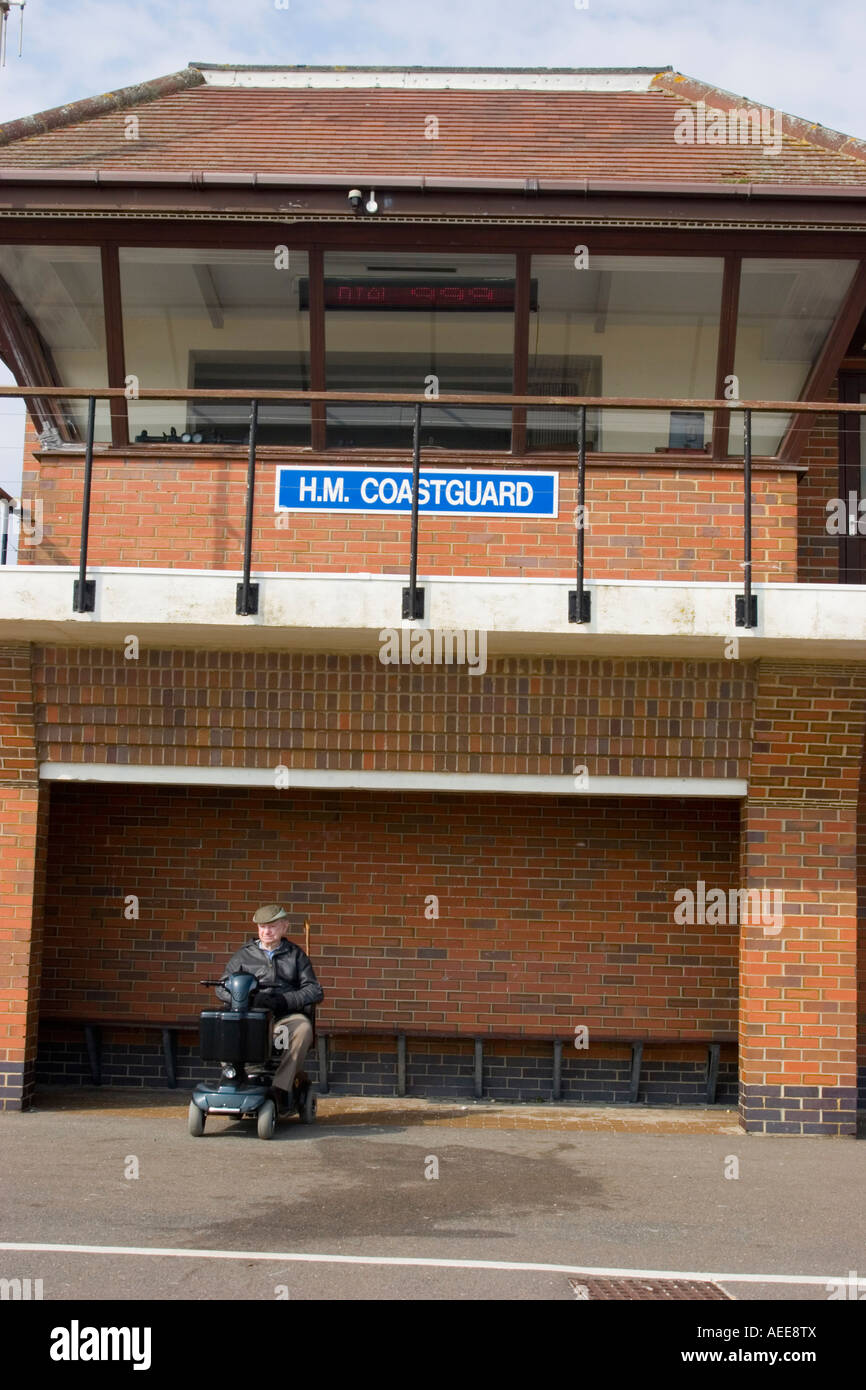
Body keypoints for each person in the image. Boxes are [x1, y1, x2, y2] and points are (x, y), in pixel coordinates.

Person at [216, 904, 324, 1116]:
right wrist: (247, 998)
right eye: (262, 927)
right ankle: (234, 1079)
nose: (266, 932)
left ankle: (281, 1088)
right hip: (250, 1018)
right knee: (220, 1024)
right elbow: (222, 988)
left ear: (285, 927)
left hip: (282, 1018)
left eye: (272, 927)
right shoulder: (243, 955)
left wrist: (283, 1001)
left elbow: (314, 990)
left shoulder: (295, 955)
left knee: (302, 1028)